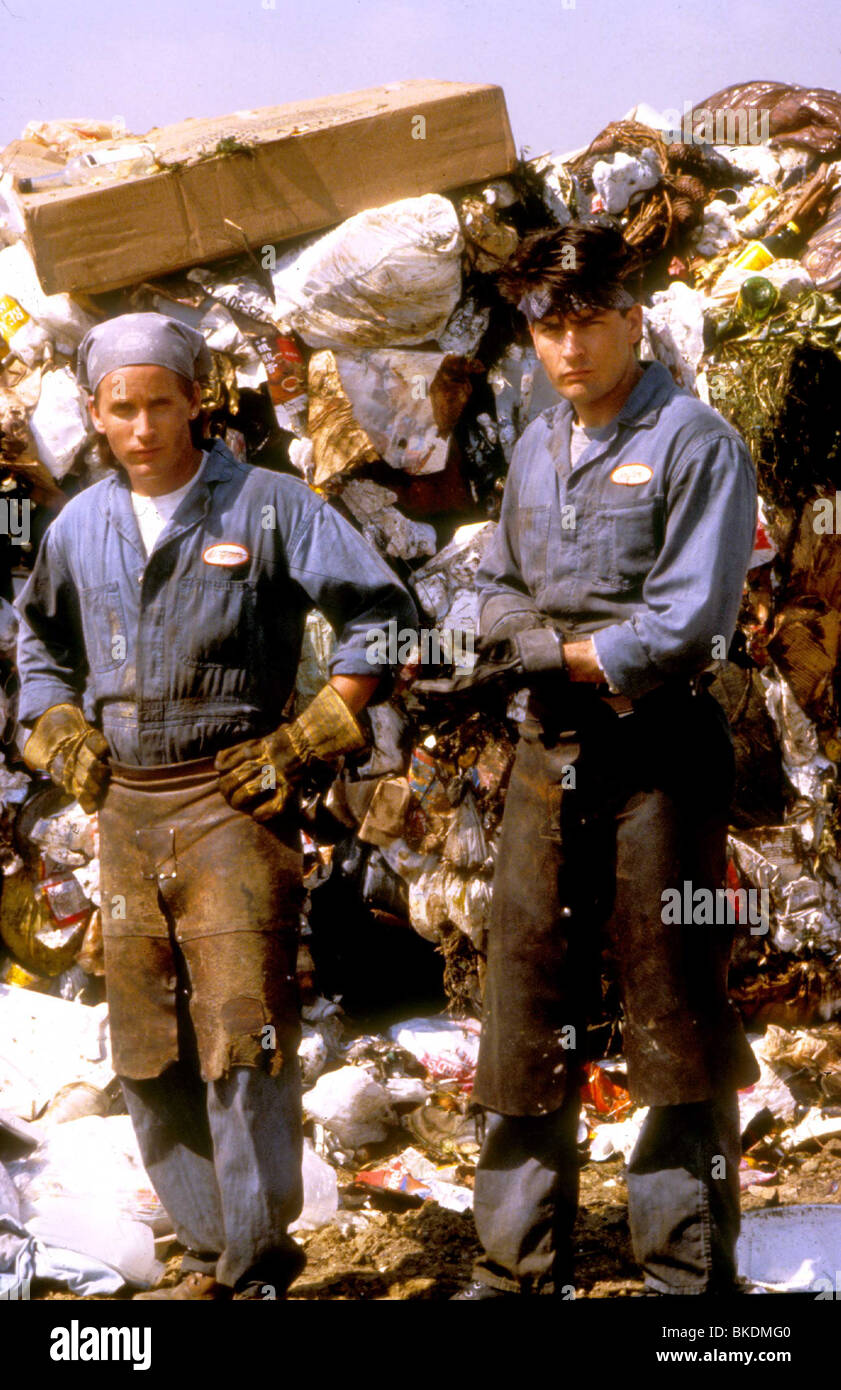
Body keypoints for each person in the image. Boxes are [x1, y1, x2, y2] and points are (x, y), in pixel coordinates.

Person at [15, 312, 418, 1300]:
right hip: (123, 808)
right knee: (146, 1040)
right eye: (122, 408)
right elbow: (38, 651)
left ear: (196, 398)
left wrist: (309, 732)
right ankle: (204, 1242)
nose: (143, 426)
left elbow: (382, 612)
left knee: (244, 1031)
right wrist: (61, 730)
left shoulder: (269, 505)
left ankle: (257, 1259)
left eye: (161, 403)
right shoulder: (76, 526)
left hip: (234, 801)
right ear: (97, 415)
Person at [453, 223, 761, 1299]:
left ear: (634, 318)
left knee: (673, 1008)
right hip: (549, 751)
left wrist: (567, 650)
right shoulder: (536, 442)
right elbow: (493, 575)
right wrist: (506, 636)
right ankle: (515, 1265)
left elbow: (689, 618)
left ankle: (683, 1275)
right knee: (525, 999)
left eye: (589, 320)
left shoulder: (695, 442)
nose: (568, 345)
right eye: (547, 324)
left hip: (659, 755)